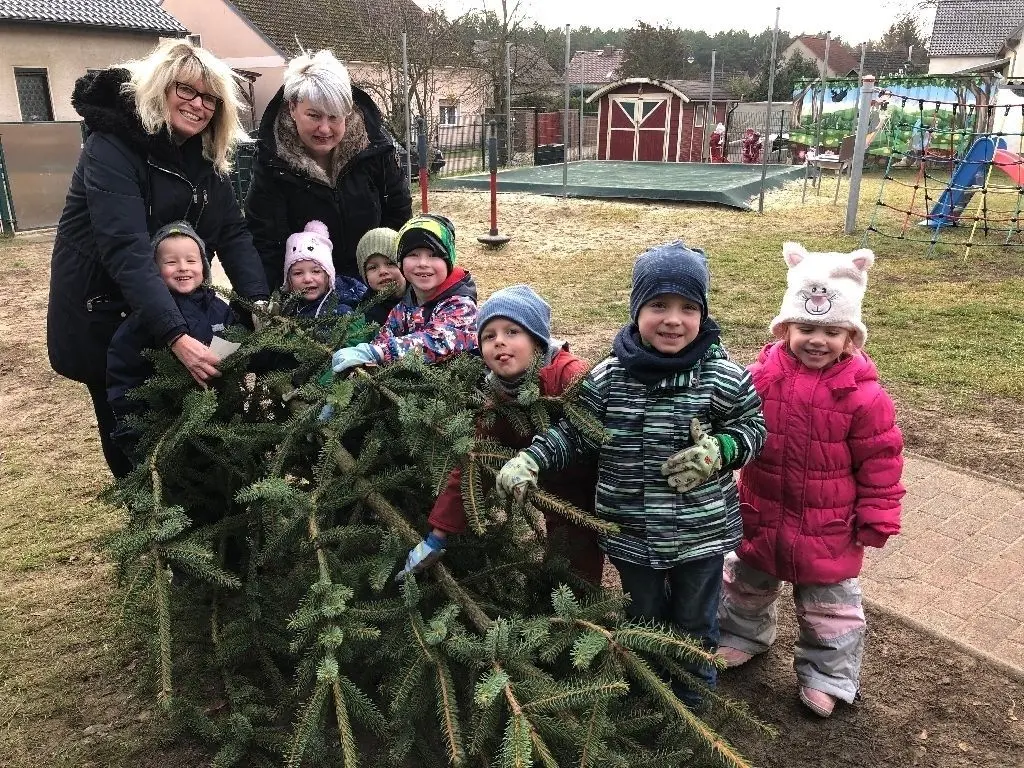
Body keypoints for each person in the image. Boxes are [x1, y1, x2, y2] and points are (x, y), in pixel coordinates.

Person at [495, 242, 766, 707]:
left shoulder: (723, 377)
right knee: (642, 617)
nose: (673, 320)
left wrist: (720, 449)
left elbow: (753, 428)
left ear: (703, 313)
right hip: (630, 530)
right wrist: (534, 459)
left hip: (699, 532)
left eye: (687, 307)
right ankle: (647, 691)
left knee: (693, 622)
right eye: (658, 305)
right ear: (636, 309)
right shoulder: (608, 378)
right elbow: (576, 433)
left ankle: (692, 700)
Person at [47, 39, 270, 479]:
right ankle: (148, 522)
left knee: (185, 419)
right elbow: (126, 246)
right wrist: (174, 334)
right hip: (102, 308)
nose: (198, 104)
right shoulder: (111, 146)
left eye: (210, 97)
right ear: (160, 88)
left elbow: (232, 231)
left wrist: (260, 304)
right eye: (186, 90)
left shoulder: (205, 157)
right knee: (129, 424)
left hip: (166, 303)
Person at [717, 242, 904, 719]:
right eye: (805, 328)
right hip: (761, 510)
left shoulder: (864, 397)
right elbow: (733, 424)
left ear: (851, 338)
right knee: (744, 584)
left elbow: (882, 459)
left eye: (831, 330)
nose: (816, 339)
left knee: (830, 607)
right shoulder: (760, 378)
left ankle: (829, 676)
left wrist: (878, 514)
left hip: (829, 523)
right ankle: (743, 635)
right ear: (784, 329)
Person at [400, 285, 603, 583]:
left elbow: (597, 422)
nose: (499, 342)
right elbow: (474, 463)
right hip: (564, 494)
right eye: (489, 336)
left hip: (610, 480)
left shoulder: (570, 374)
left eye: (512, 332)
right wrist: (437, 535)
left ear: (536, 340)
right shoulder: (497, 397)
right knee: (569, 558)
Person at [245, 49, 412, 289]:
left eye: (334, 117)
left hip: (373, 284)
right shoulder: (272, 163)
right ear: (293, 108)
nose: (324, 129)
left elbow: (399, 215)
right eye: (313, 115)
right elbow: (265, 240)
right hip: (308, 291)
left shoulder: (376, 151)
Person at [106, 222, 236, 464]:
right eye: (171, 262)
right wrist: (135, 425)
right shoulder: (146, 320)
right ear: (155, 270)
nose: (183, 268)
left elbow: (238, 343)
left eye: (191, 260)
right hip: (167, 427)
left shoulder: (219, 309)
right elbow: (123, 372)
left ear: (204, 267)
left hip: (219, 420)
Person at [326, 214, 478, 376]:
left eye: (433, 255)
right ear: (401, 263)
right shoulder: (403, 307)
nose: (423, 263)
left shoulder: (461, 305)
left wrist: (379, 352)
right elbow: (383, 338)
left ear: (449, 261)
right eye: (413, 255)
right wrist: (359, 367)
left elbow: (439, 341)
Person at [281, 220, 367, 318]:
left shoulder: (341, 313)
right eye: (298, 273)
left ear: (328, 275)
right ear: (288, 280)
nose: (308, 279)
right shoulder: (286, 310)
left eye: (316, 271)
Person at [354, 227, 405, 326]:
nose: (382, 271)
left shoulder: (420, 298)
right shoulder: (365, 311)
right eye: (373, 267)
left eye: (390, 263)